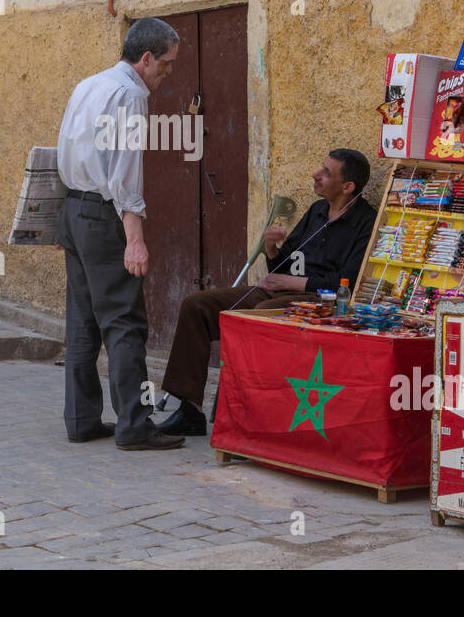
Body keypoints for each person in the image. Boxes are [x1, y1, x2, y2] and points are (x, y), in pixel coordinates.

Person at [156, 149, 378, 436]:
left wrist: (289, 283)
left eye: (325, 172)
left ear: (348, 187)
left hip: (316, 301)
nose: (316, 175)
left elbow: (347, 281)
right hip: (280, 290)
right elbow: (283, 263)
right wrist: (271, 247)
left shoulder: (366, 222)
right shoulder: (316, 211)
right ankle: (189, 410)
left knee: (257, 319)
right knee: (196, 305)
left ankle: (247, 417)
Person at [55, 17, 186, 451]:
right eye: (165, 64)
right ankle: (134, 423)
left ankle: (81, 419)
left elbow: (64, 150)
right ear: (145, 59)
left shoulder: (88, 85)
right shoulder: (131, 94)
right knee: (124, 321)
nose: (168, 73)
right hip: (101, 216)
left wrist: (63, 218)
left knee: (82, 321)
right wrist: (135, 237)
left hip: (74, 210)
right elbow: (126, 174)